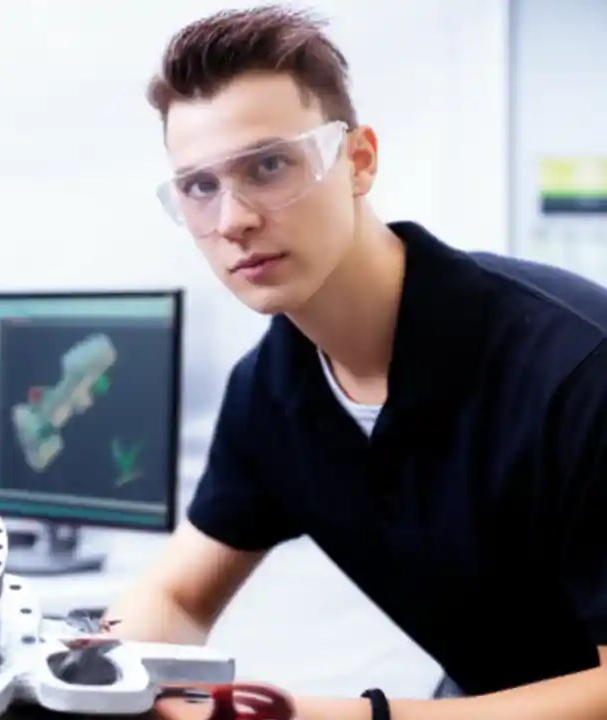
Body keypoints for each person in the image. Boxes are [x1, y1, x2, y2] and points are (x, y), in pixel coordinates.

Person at [105, 5, 607, 719]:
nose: (232, 220)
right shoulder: (271, 390)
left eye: (270, 165)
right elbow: (177, 595)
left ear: (360, 161)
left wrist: (337, 716)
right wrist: (93, 673)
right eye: (199, 187)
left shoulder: (577, 366)